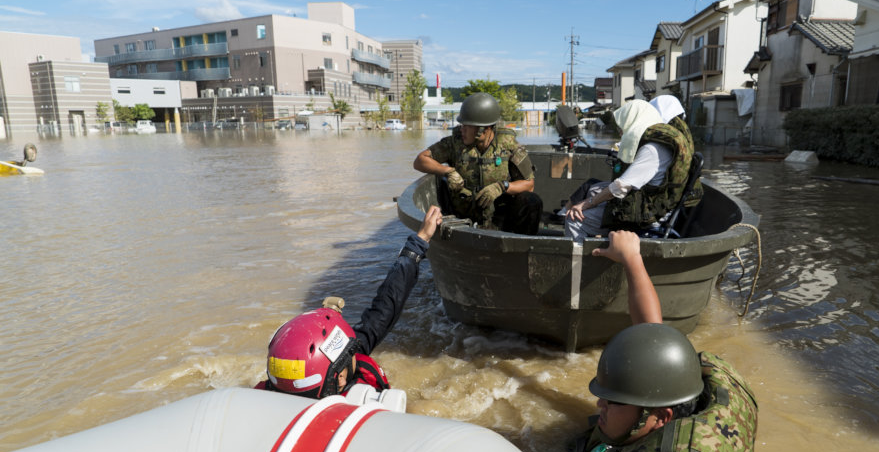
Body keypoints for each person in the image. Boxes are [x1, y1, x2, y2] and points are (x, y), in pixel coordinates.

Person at [571, 230, 759, 452]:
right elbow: (651, 334)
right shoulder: (669, 388)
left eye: (613, 402)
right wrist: (631, 257)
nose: (600, 405)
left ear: (661, 418)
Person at [256, 205, 443, 398]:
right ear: (341, 378)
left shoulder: (272, 396)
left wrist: (418, 243)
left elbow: (381, 313)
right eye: (350, 350)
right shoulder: (359, 405)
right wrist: (419, 243)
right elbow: (383, 310)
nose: (354, 349)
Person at [561, 99, 697, 242]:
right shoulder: (659, 142)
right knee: (593, 190)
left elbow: (620, 187)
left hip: (648, 215)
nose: (620, 131)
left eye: (623, 125)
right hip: (650, 203)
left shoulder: (652, 149)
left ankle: (579, 263)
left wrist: (585, 204)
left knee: (574, 219)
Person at [413, 92, 542, 235]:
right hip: (463, 217)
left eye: (467, 126)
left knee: (532, 201)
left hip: (500, 215)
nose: (462, 130)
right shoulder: (455, 143)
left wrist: (502, 187)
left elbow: (529, 184)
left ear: (483, 129)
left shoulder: (507, 145)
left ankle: (521, 247)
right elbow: (420, 161)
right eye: (461, 125)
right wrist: (448, 171)